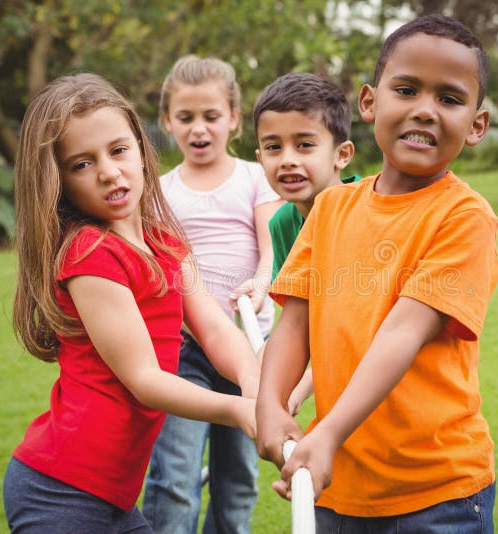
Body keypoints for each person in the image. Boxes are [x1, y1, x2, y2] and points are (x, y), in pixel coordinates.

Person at [256, 14, 498, 533]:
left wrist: (325, 434)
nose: (425, 111)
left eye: (450, 99)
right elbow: (293, 325)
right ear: (370, 101)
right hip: (337, 485)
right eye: (407, 89)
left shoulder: (464, 217)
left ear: (477, 125)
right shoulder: (330, 210)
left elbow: (403, 331)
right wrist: (271, 406)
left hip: (436, 495)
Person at [3, 72, 260, 533]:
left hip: (113, 498)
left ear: (141, 150)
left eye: (118, 150)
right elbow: (145, 378)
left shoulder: (165, 242)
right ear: (57, 181)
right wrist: (238, 410)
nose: (107, 171)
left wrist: (255, 384)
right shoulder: (89, 254)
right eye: (81, 164)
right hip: (60, 493)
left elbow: (217, 328)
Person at [142, 55, 281, 534]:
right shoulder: (158, 193)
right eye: (185, 118)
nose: (199, 129)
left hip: (249, 351)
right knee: (176, 476)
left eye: (211, 116)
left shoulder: (254, 179)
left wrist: (260, 287)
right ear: (167, 122)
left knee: (239, 477)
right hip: (183, 350)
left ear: (235, 119)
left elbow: (270, 250)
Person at [251, 72, 358, 415]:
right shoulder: (282, 224)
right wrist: (279, 386)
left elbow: (360, 330)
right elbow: (301, 323)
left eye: (305, 145)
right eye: (273, 147)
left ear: (341, 155)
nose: (287, 159)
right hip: (335, 393)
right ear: (259, 159)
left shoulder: (366, 212)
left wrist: (298, 389)